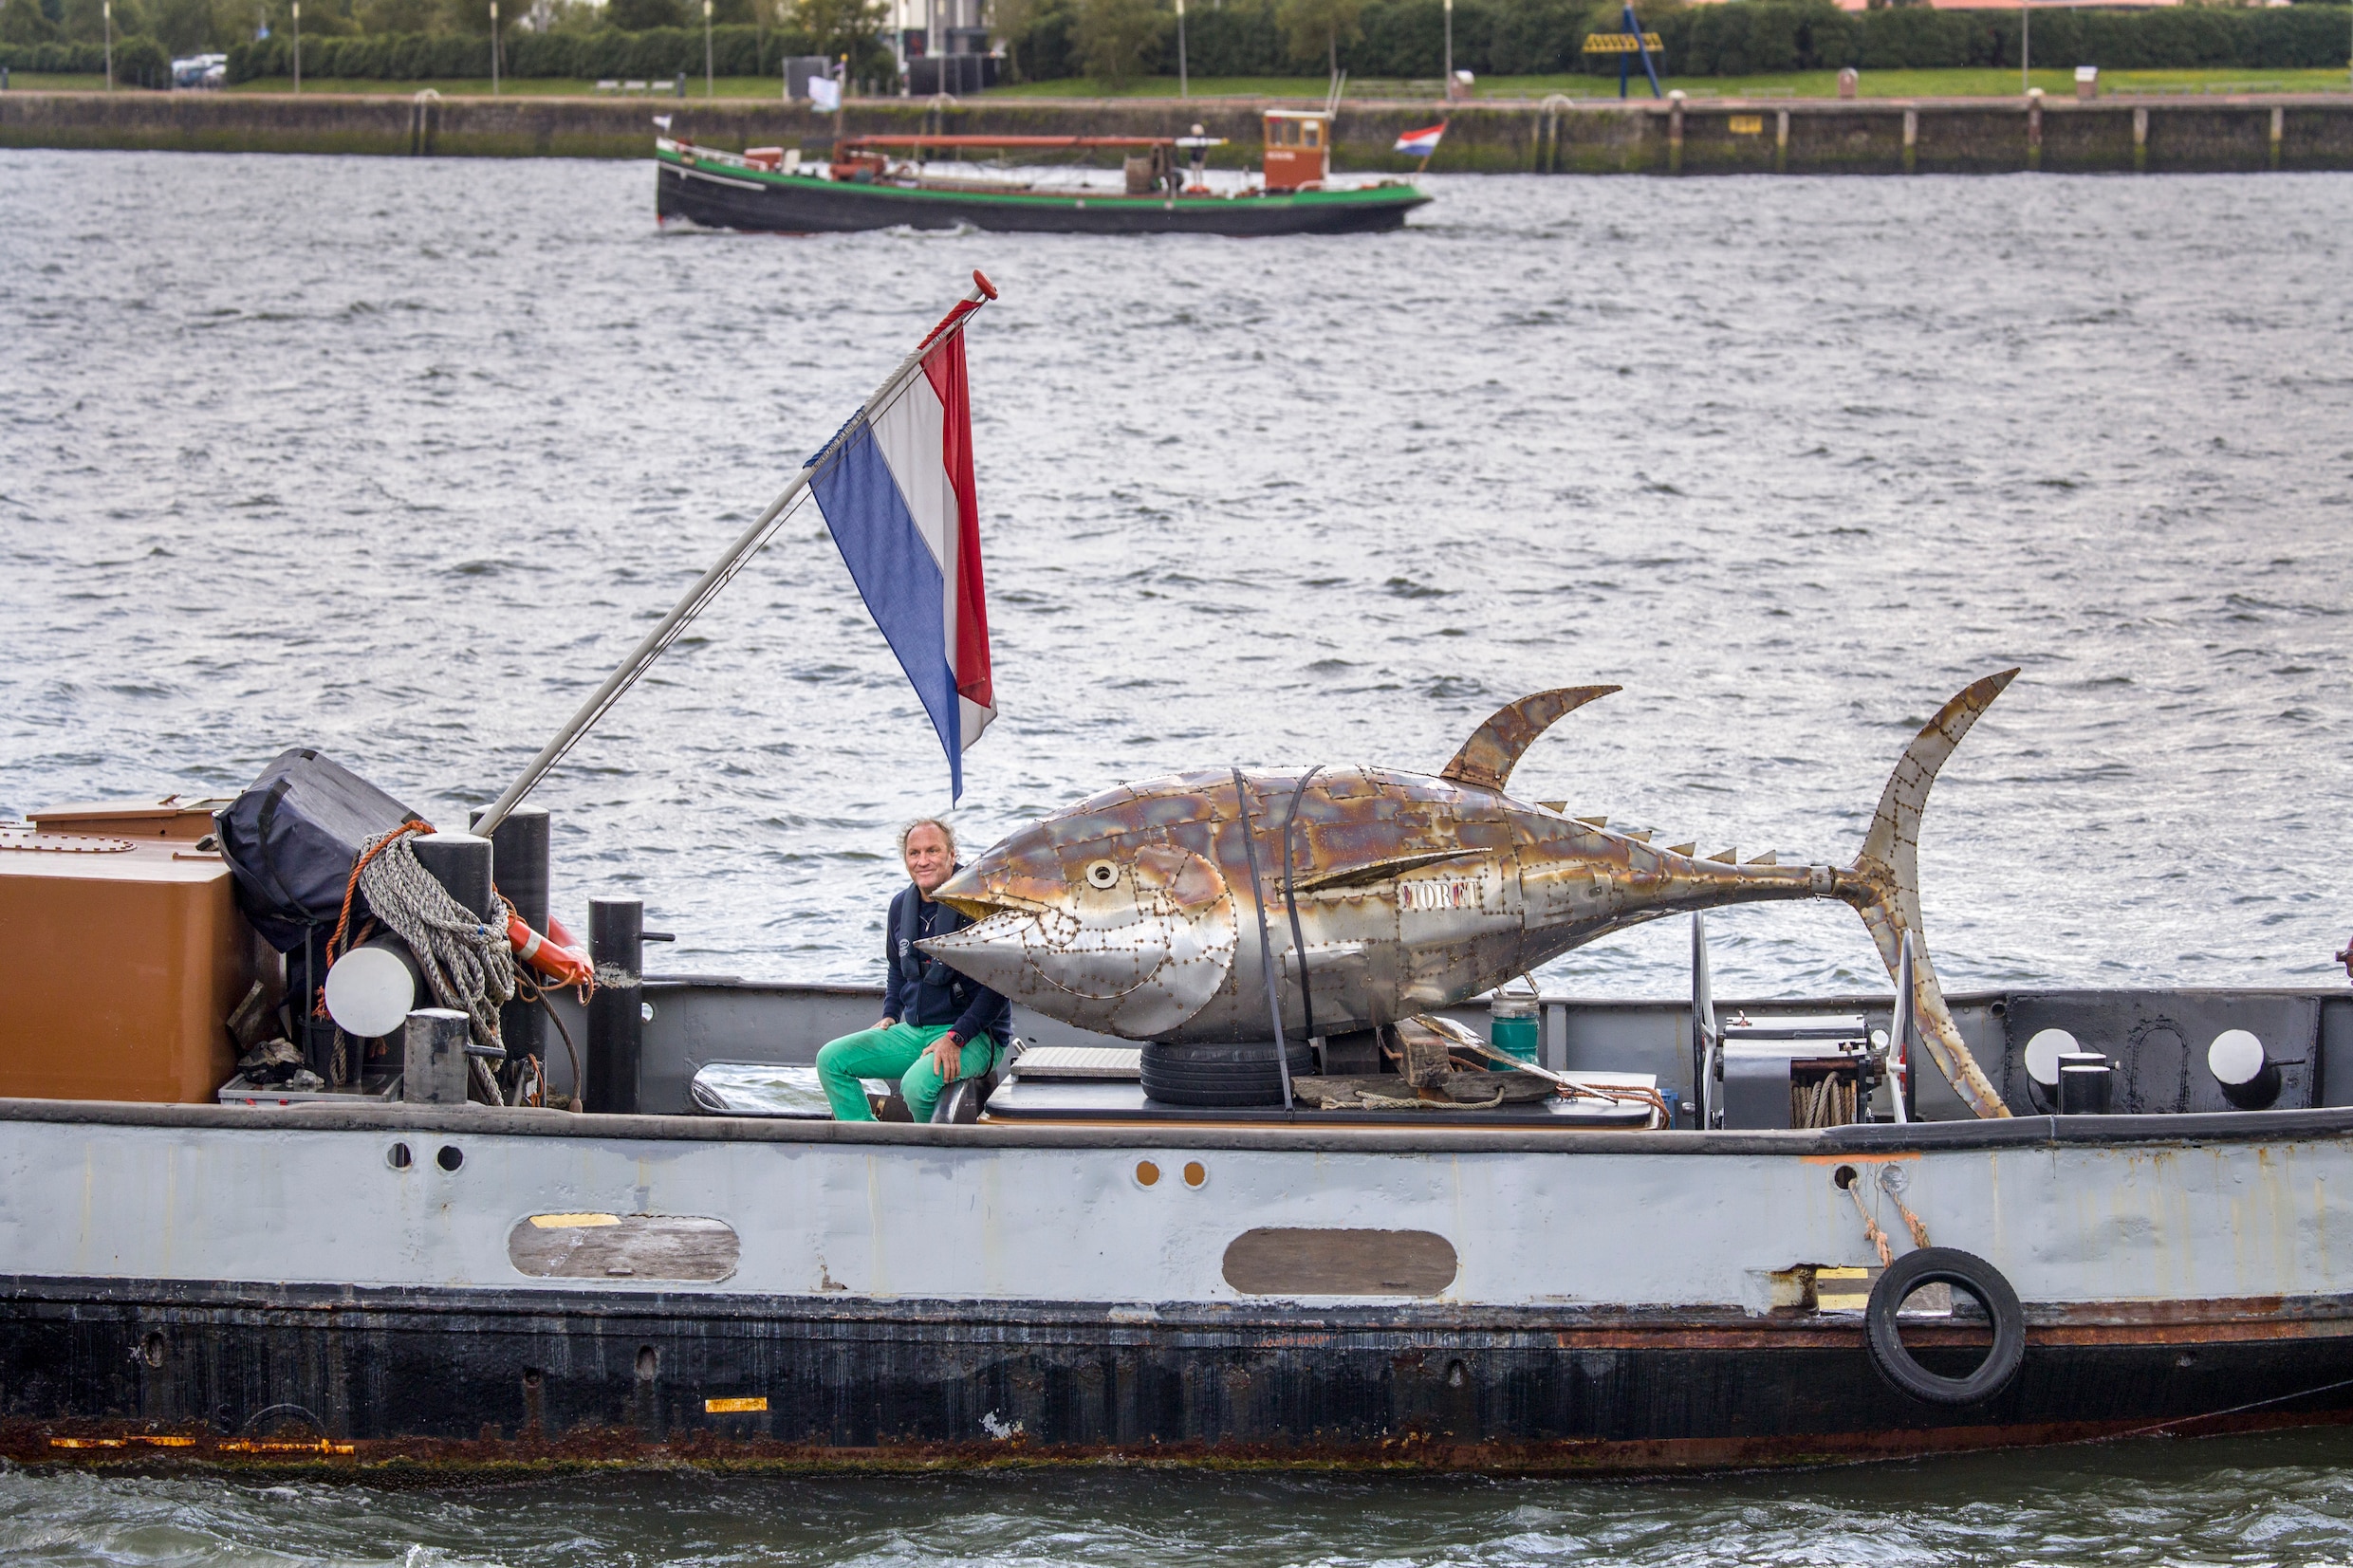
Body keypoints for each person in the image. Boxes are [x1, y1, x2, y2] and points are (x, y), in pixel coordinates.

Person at [815, 818, 1010, 1121]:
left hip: (975, 1036)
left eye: (933, 851)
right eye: (914, 853)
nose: (923, 861)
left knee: (916, 1086)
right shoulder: (899, 906)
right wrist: (890, 1014)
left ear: (952, 855)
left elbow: (1000, 988)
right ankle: (869, 1140)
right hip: (916, 1031)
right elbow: (897, 967)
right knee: (831, 1060)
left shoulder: (981, 904)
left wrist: (956, 1037)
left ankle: (931, 1149)